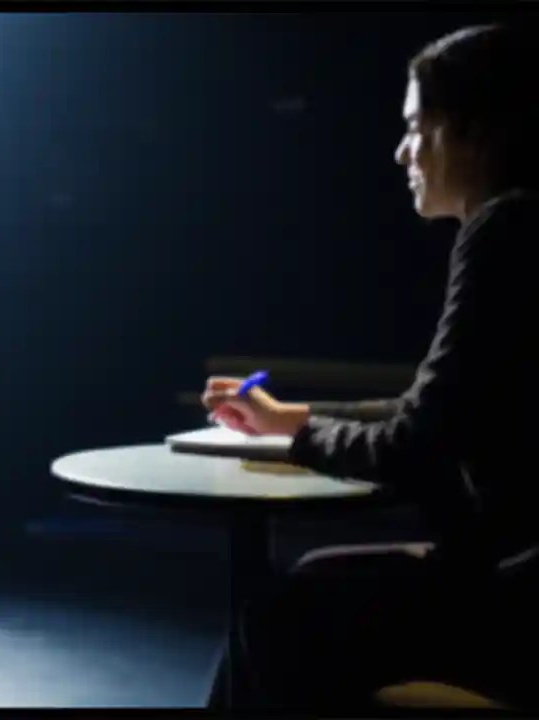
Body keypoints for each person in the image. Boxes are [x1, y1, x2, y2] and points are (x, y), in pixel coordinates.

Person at [201, 24, 539, 711]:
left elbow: (419, 440)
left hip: (522, 598)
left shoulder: (504, 231)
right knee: (309, 595)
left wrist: (296, 439)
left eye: (417, 127)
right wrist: (286, 416)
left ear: (473, 129)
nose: (401, 151)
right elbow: (441, 408)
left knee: (283, 617)